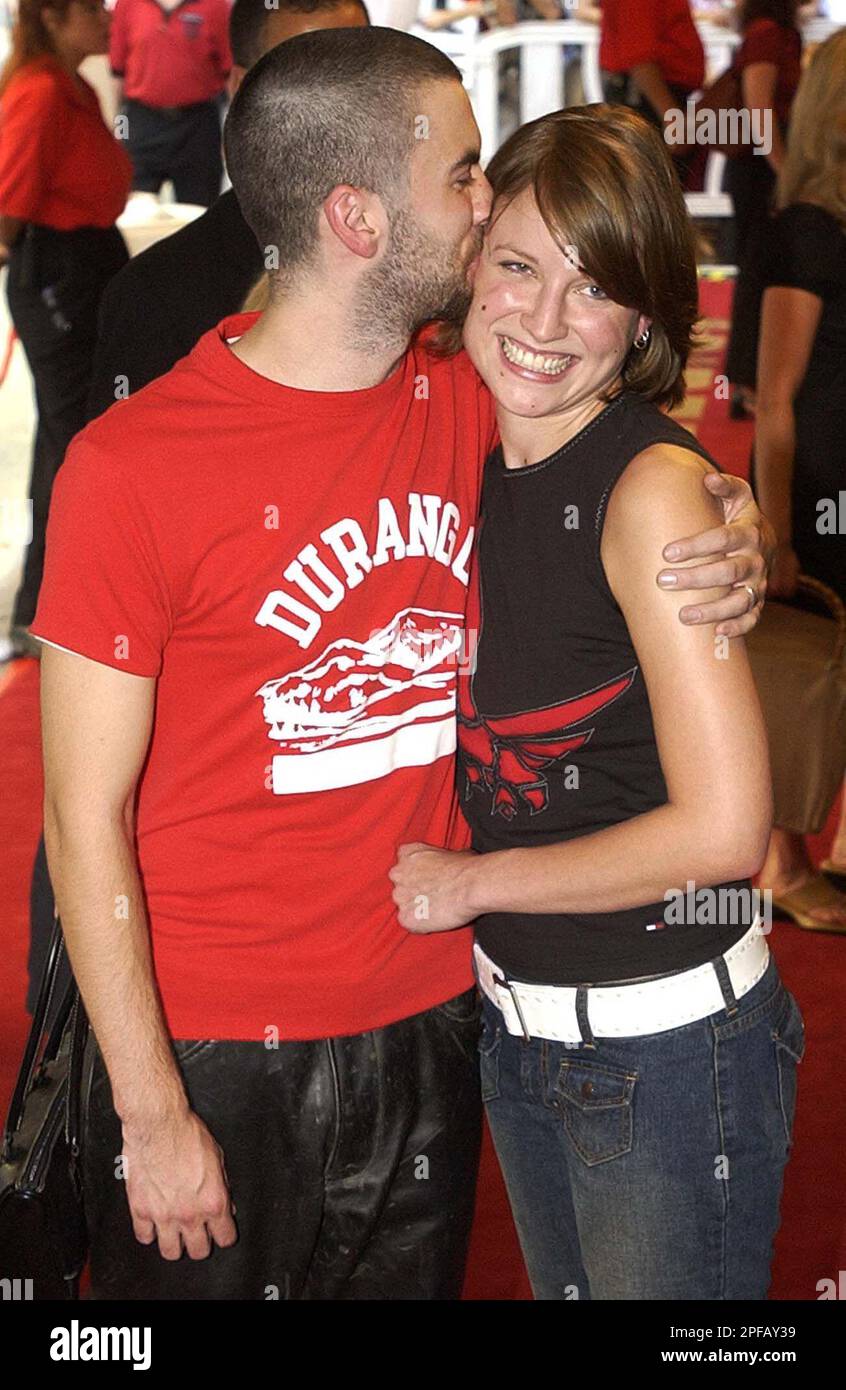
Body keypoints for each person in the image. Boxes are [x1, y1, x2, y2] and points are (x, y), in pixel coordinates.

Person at [32, 29, 769, 1300]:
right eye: (468, 175)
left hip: (439, 1016)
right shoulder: (129, 465)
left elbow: (625, 442)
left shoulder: (472, 396)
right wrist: (149, 1113)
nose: (488, 205)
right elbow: (76, 813)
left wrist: (732, 515)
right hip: (213, 1049)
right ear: (361, 217)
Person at [390, 105, 801, 1302]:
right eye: (518, 265)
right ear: (470, 255)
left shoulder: (656, 495)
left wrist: (472, 883)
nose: (545, 321)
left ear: (645, 319)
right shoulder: (450, 436)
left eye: (595, 287)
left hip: (667, 1051)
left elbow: (727, 838)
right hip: (523, 1026)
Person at [25, 0, 371, 1018]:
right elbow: (109, 570)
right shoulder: (163, 295)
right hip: (207, 768)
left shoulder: (423, 281)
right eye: (324, 71)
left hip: (368, 811)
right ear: (252, 101)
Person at [0, 0, 131, 655]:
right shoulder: (42, 91)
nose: (109, 18)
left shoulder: (72, 84)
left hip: (87, 263)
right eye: (91, 9)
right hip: (57, 269)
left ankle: (50, 602)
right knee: (74, 435)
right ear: (53, 16)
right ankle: (51, 608)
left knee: (74, 433)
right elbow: (7, 197)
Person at [753, 29, 846, 929]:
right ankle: (781, 864)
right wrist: (775, 528)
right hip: (820, 486)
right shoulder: (808, 228)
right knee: (804, 671)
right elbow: (773, 396)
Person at [724, 0, 802, 418]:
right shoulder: (768, 34)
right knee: (758, 274)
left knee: (760, 272)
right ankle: (745, 384)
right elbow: (759, 108)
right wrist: (785, 173)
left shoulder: (769, 32)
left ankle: (748, 382)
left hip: (761, 169)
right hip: (760, 172)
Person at [109, 0, 231, 208]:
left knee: (200, 214)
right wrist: (116, 129)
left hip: (197, 125)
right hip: (141, 122)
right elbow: (117, 73)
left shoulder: (216, 6)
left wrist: (232, 132)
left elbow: (229, 73)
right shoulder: (128, 5)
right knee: (134, 212)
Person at [598, 0, 705, 184]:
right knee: (651, 188)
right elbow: (640, 57)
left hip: (653, 96)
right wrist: (671, 118)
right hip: (648, 99)